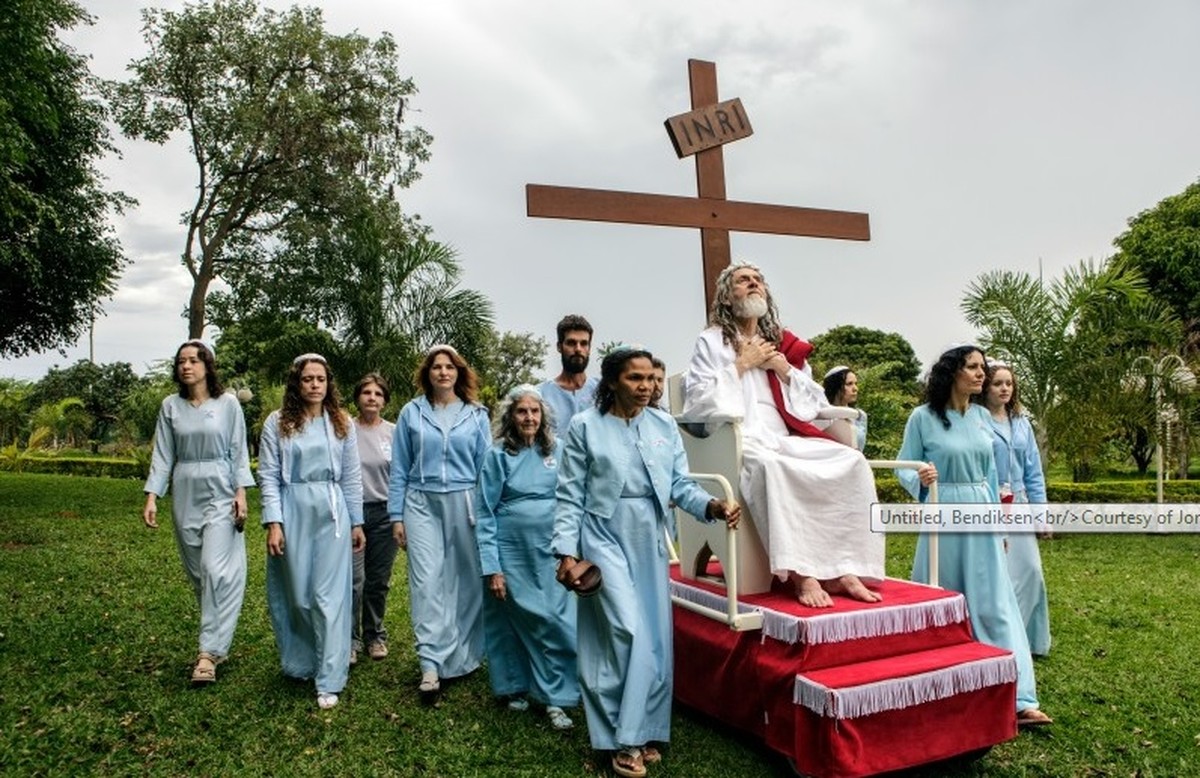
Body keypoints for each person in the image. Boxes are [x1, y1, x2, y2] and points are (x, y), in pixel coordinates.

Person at [552, 346, 740, 778]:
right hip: (601, 532)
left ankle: (640, 729)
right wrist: (566, 552)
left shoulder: (662, 425)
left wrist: (710, 506)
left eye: (652, 379)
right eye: (635, 378)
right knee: (625, 630)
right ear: (613, 381)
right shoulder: (584, 427)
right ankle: (626, 738)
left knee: (652, 635)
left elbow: (679, 485)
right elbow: (568, 495)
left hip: (650, 534)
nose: (647, 387)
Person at [680, 261, 884, 608]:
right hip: (740, 439)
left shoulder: (781, 343)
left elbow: (814, 401)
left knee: (851, 461)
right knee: (772, 468)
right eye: (744, 281)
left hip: (782, 436)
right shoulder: (711, 341)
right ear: (727, 298)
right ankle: (804, 574)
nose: (754, 284)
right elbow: (697, 403)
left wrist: (781, 367)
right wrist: (742, 363)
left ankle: (843, 567)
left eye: (758, 280)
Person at [895, 345, 1051, 726]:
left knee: (996, 602)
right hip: (944, 513)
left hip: (982, 512)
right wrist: (921, 477)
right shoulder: (922, 418)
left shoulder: (983, 417)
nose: (981, 374)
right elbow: (904, 466)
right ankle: (937, 685)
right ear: (953, 373)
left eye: (983, 367)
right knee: (942, 599)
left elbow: (993, 477)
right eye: (973, 367)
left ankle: (1019, 697)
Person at [143, 340, 255, 685]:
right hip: (185, 487)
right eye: (181, 361)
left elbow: (238, 451)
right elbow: (163, 454)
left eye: (193, 360)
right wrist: (152, 496)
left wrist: (241, 493)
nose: (186, 366)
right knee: (199, 573)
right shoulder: (170, 406)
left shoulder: (228, 404)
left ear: (208, 365)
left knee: (214, 569)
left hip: (220, 489)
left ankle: (207, 654)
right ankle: (218, 641)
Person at [260, 353, 365, 710]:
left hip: (332, 510)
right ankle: (303, 661)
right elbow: (269, 476)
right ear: (297, 383)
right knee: (299, 595)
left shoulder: (342, 422)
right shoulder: (277, 423)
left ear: (328, 383)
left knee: (329, 597)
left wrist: (356, 521)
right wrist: (274, 522)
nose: (315, 385)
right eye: (308, 379)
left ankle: (330, 676)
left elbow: (351, 475)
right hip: (293, 507)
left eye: (321, 379)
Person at [389, 344, 491, 699]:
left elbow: (485, 470)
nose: (443, 372)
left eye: (450, 367)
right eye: (437, 367)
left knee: (466, 580)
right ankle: (430, 662)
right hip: (420, 502)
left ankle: (463, 654)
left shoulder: (477, 415)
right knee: (427, 581)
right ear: (427, 374)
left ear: (459, 373)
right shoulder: (411, 413)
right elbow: (399, 467)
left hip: (465, 502)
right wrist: (396, 515)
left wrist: (486, 514)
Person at [477, 385, 579, 730]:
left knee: (554, 619)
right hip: (511, 550)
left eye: (535, 412)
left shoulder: (559, 451)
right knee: (513, 618)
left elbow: (572, 499)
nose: (529, 418)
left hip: (550, 549)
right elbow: (485, 512)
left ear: (544, 416)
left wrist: (571, 546)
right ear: (510, 416)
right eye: (522, 412)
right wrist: (493, 567)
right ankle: (515, 686)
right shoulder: (497, 456)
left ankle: (555, 697)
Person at [979, 361, 1051, 656]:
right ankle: (998, 641)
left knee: (1030, 571)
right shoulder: (976, 420)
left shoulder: (1022, 423)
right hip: (988, 505)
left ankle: (1023, 639)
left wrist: (1041, 514)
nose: (1005, 388)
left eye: (1009, 383)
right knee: (998, 575)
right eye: (998, 383)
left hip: (1019, 504)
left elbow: (1034, 472)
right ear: (986, 388)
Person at [350, 373, 399, 664]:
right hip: (352, 514)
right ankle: (351, 640)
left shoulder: (394, 432)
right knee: (354, 580)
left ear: (384, 400)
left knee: (378, 580)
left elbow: (402, 474)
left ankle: (374, 635)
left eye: (378, 394)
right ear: (357, 397)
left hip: (384, 514)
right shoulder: (343, 428)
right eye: (366, 392)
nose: (372, 397)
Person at [539, 314, 600, 435]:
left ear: (589, 348)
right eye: (571, 343)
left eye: (584, 343)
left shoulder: (604, 391)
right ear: (559, 346)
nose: (578, 349)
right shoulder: (541, 395)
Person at [823, 365, 868, 451]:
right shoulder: (823, 414)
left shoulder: (860, 416)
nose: (855, 389)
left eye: (856, 384)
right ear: (835, 386)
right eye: (849, 384)